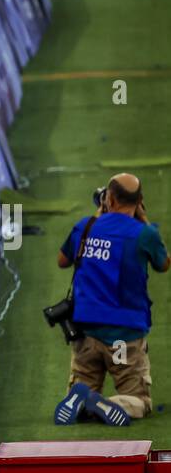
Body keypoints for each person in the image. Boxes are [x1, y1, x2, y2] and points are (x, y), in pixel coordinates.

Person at [54, 173, 168, 426]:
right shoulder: (144, 233)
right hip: (123, 337)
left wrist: (97, 220)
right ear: (139, 201)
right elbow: (163, 264)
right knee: (138, 400)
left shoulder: (85, 226)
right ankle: (113, 404)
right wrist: (145, 220)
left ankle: (82, 399)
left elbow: (62, 261)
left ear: (109, 198)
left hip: (85, 335)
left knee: (82, 388)